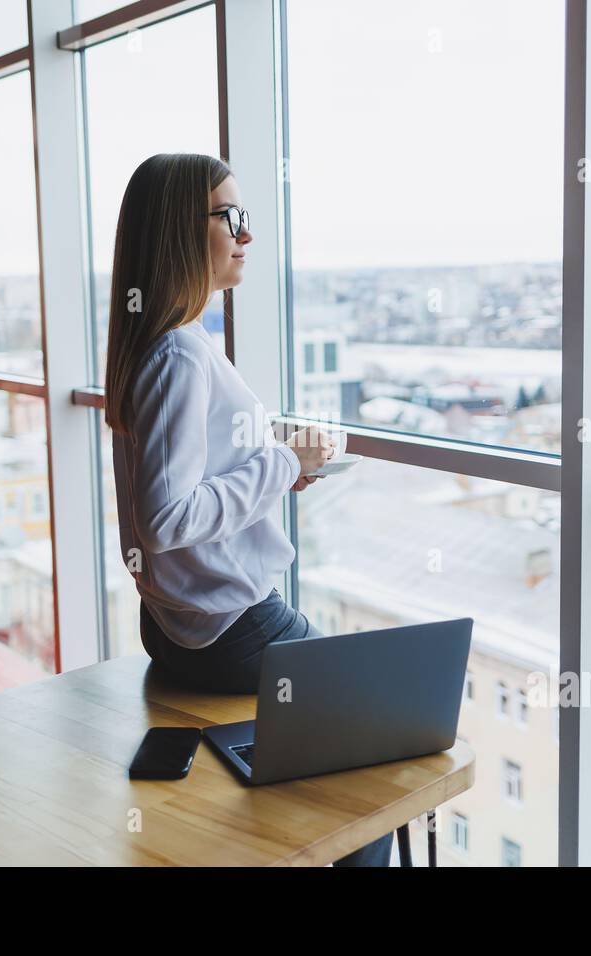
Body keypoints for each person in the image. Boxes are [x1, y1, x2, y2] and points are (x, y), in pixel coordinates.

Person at [105, 153, 392, 867]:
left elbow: (181, 479)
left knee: (304, 766)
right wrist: (284, 462)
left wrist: (272, 471)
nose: (246, 234)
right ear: (180, 229)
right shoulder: (179, 354)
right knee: (375, 768)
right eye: (229, 216)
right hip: (231, 627)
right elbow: (166, 519)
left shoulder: (157, 343)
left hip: (175, 626)